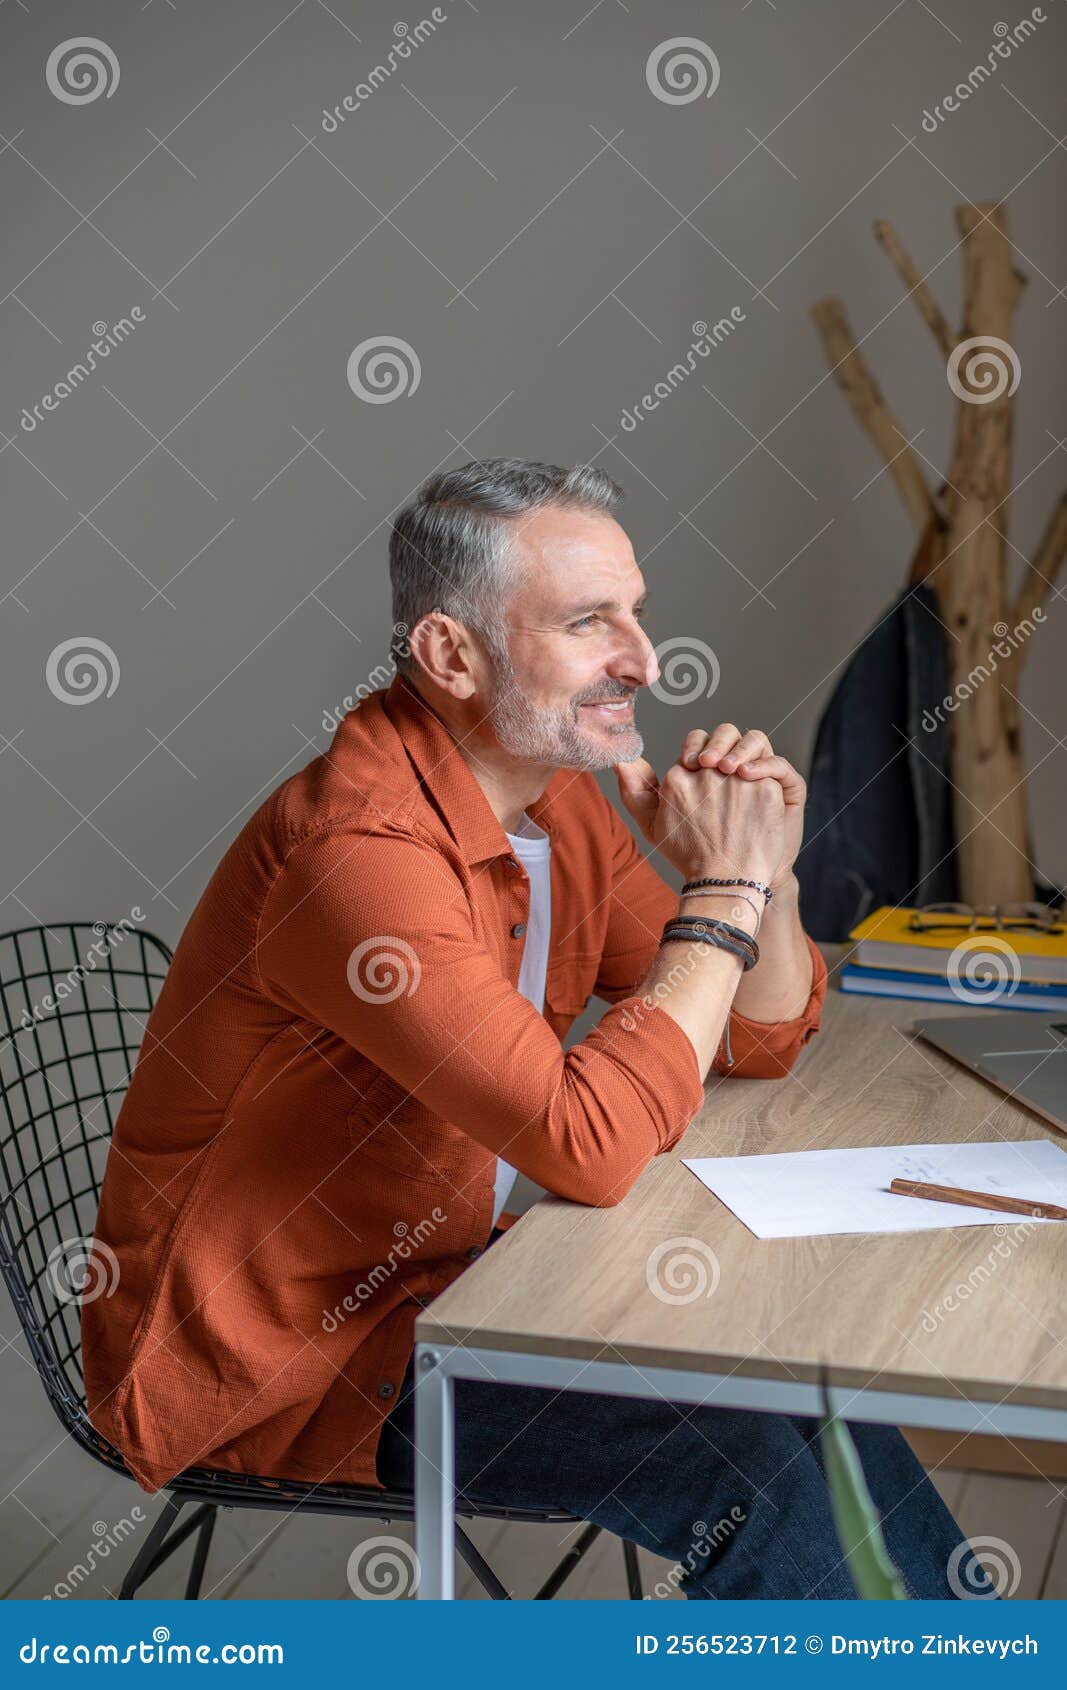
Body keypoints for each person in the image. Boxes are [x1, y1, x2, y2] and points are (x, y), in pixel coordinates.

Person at [83, 457, 981, 1598]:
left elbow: (754, 1038)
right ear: (451, 655)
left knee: (801, 1386)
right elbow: (590, 1145)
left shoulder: (551, 795)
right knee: (749, 1462)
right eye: (586, 620)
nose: (642, 659)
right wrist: (716, 901)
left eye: (635, 613)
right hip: (301, 1358)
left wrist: (760, 872)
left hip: (468, 1275)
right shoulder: (356, 857)